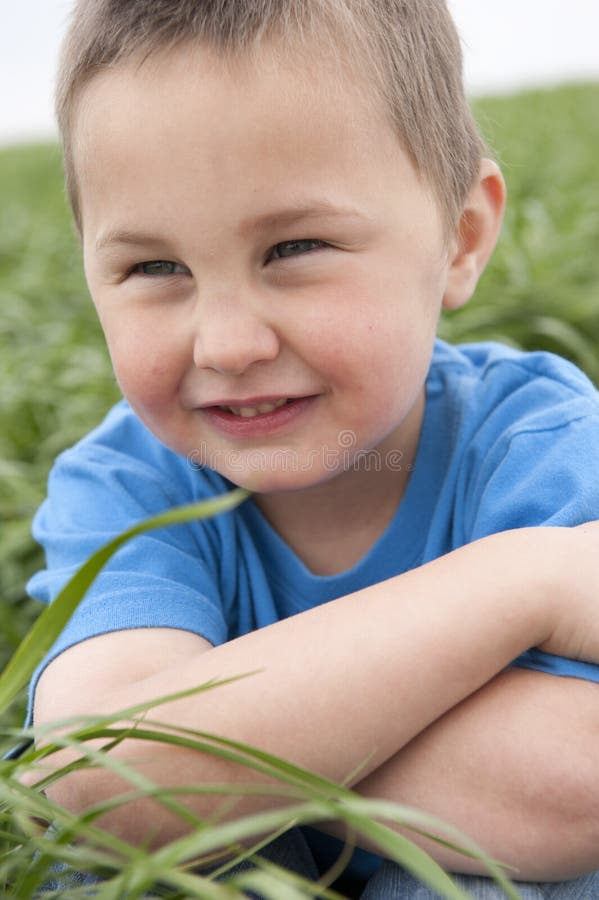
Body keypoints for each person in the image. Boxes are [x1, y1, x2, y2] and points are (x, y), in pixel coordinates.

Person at [26, 0, 599, 896]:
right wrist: (525, 582)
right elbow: (105, 784)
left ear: (460, 240)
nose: (226, 344)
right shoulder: (128, 484)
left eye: (295, 247)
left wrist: (223, 767)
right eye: (154, 269)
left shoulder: (537, 444)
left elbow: (573, 785)